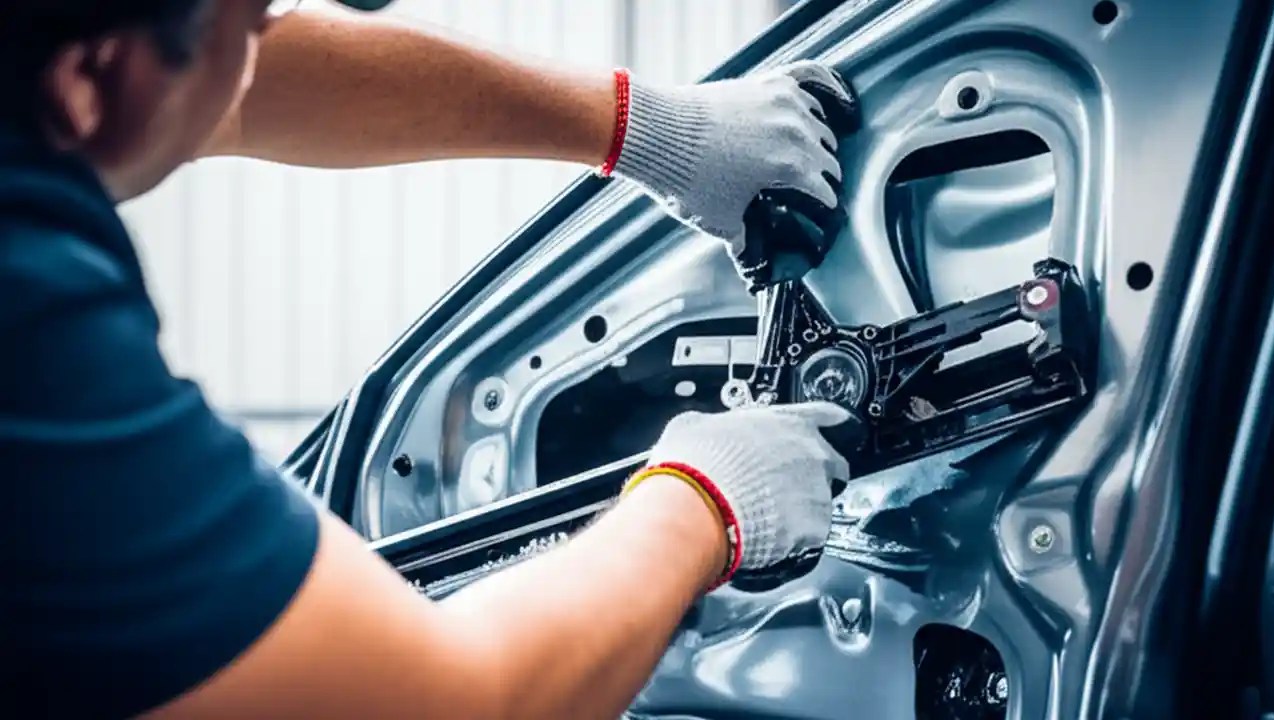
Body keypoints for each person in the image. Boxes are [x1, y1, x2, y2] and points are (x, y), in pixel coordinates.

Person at [0, 1, 854, 717]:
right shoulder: (30, 328)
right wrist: (705, 503)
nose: (264, 44)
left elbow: (237, 90)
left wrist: (651, 129)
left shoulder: (45, 63)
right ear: (90, 77)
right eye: (256, 21)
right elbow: (449, 704)